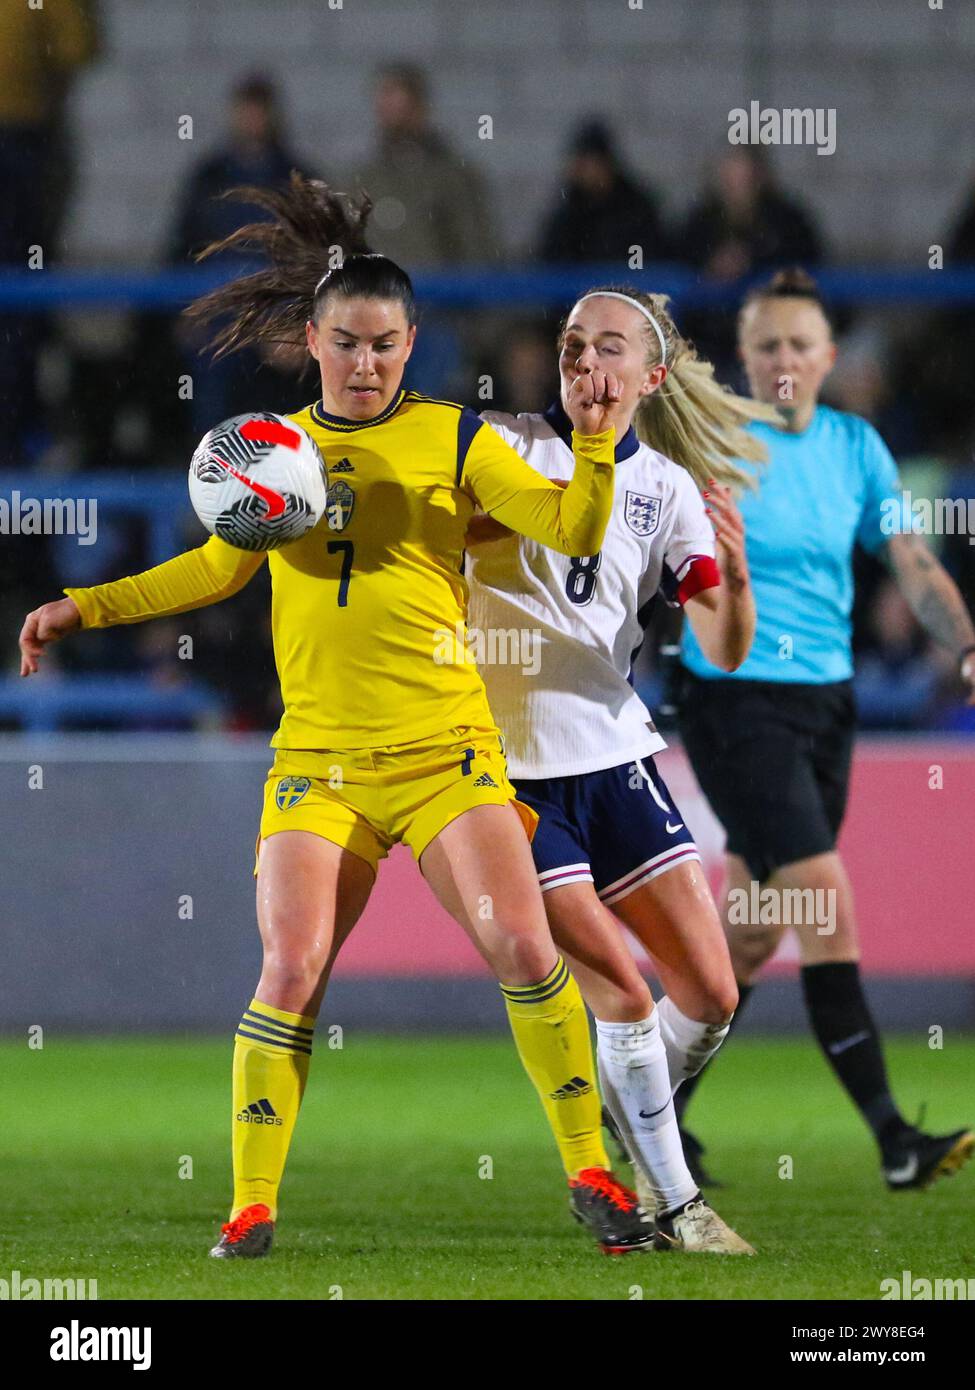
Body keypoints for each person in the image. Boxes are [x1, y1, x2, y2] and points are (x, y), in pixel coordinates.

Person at [18, 175, 650, 1259]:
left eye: (388, 345)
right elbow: (213, 573)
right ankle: (251, 1207)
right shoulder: (272, 454)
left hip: (446, 752)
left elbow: (572, 528)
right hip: (318, 758)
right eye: (349, 342)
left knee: (519, 941)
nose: (367, 363)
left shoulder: (458, 441)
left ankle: (594, 1171)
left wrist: (597, 439)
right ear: (311, 338)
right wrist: (86, 605)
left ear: (414, 345)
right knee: (291, 968)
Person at [465, 285, 780, 1253]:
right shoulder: (502, 447)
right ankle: (676, 1204)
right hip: (505, 770)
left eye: (608, 347)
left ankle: (631, 1120)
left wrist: (736, 567)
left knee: (712, 992)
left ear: (651, 375)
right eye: (570, 343)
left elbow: (722, 647)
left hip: (614, 753)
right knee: (623, 994)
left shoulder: (671, 489)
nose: (583, 361)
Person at [673, 268, 975, 1191]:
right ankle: (894, 1140)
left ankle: (645, 1106)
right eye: (764, 346)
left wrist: (965, 646)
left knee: (753, 934)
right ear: (744, 358)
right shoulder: (715, 442)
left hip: (824, 705)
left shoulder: (856, 446)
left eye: (798, 345)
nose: (782, 361)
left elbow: (910, 559)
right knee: (820, 898)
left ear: (829, 357)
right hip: (733, 697)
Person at [536, 119, 667, 264]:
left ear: (606, 163)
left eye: (588, 163)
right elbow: (551, 263)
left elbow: (645, 264)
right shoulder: (569, 211)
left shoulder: (637, 211)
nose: (580, 171)